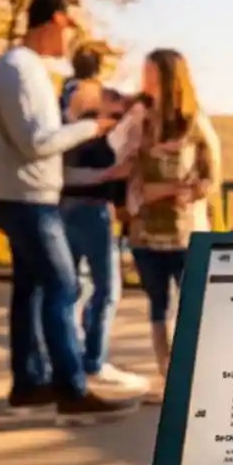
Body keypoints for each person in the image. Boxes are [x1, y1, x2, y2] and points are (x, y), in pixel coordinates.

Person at [0, 0, 139, 424]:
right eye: (71, 24)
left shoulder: (20, 68)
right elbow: (37, 143)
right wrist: (94, 127)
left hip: (21, 196)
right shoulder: (21, 70)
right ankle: (71, 387)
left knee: (32, 289)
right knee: (63, 286)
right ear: (54, 20)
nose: (72, 34)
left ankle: (30, 383)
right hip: (29, 200)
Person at [106, 49, 222, 402]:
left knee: (195, 306)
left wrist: (187, 191)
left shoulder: (194, 121)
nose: (145, 80)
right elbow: (114, 151)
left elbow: (211, 174)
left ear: (171, 78)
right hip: (145, 231)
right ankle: (170, 378)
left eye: (152, 73)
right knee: (159, 305)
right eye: (145, 72)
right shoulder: (140, 116)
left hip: (186, 232)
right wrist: (130, 118)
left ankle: (201, 379)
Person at [58, 46, 150, 395]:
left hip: (67, 203)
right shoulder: (88, 97)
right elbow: (120, 110)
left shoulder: (64, 97)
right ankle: (93, 361)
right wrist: (113, 172)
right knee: (106, 289)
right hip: (89, 204)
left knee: (73, 288)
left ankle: (70, 358)